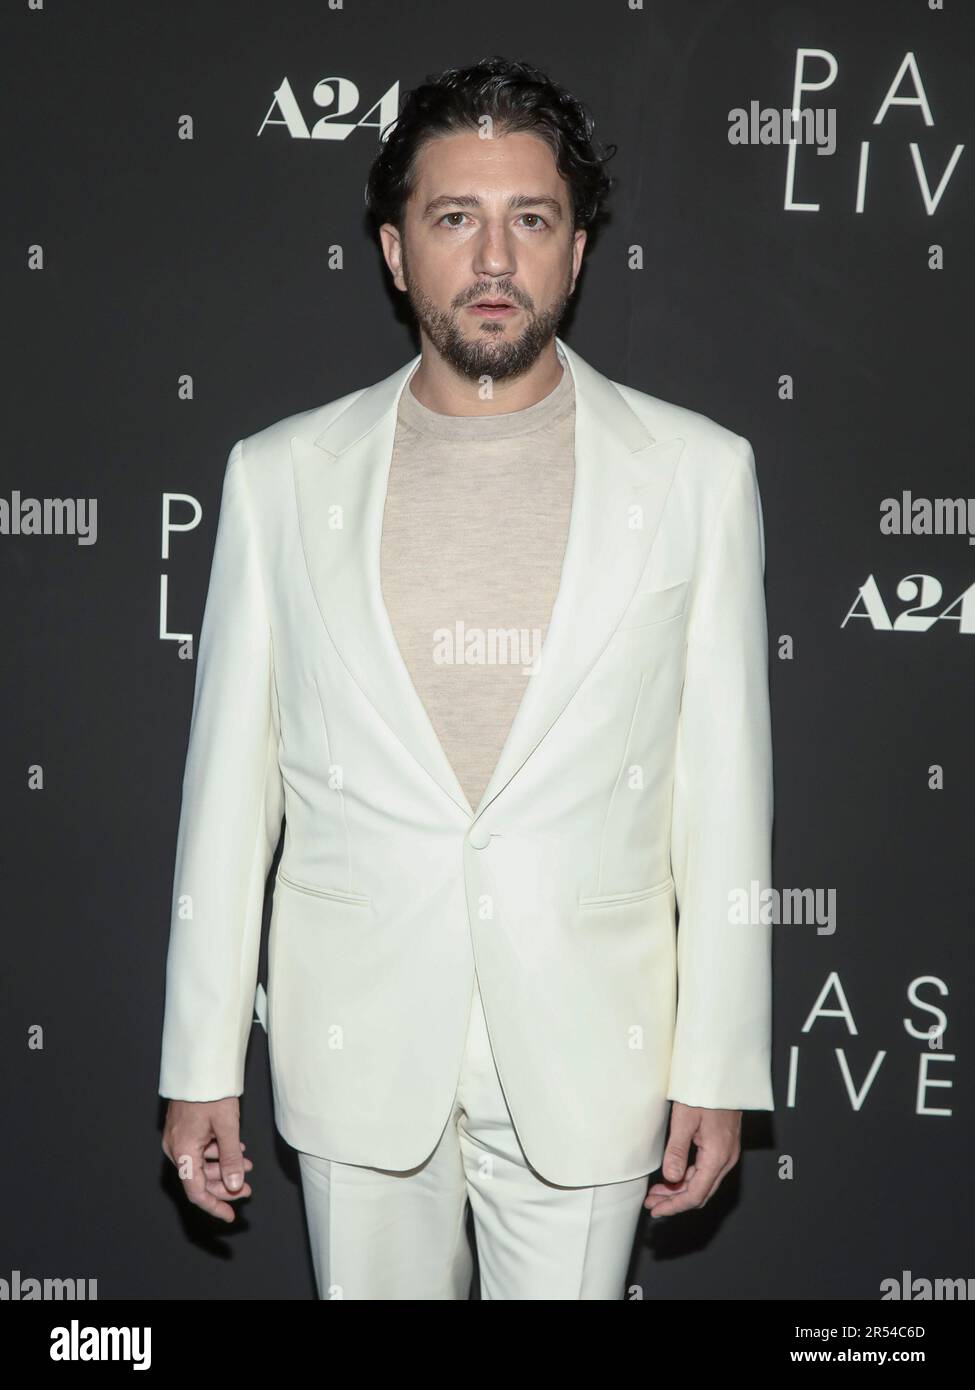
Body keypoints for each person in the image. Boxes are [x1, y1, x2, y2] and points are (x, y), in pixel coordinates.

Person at [159, 54, 774, 1300]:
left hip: (592, 1048)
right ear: (394, 252)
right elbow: (229, 798)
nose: (494, 258)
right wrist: (200, 1056)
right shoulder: (280, 478)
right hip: (356, 1044)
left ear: (578, 249)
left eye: (530, 220)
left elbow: (726, 798)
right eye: (455, 219)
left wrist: (719, 1056)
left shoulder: (699, 476)